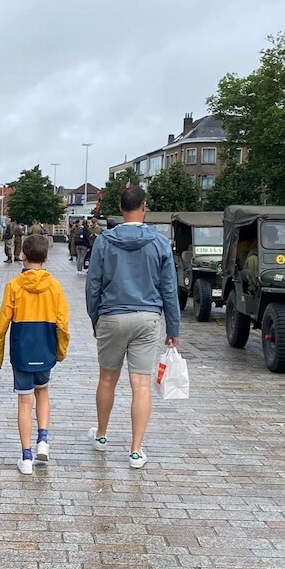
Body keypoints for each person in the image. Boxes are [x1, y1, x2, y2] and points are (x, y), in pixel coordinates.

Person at [85, 186, 180, 469]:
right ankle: (136, 450)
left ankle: (101, 436)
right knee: (140, 385)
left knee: (107, 379)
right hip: (147, 317)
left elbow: (93, 285)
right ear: (144, 207)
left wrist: (95, 319)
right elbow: (169, 289)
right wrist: (172, 327)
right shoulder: (159, 243)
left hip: (112, 316)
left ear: (121, 207)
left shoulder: (104, 241)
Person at [0, 234, 70, 475]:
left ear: (23, 256)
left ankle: (26, 457)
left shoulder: (14, 286)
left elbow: (2, 323)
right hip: (45, 348)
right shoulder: (55, 286)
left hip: (22, 349)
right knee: (43, 391)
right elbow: (63, 323)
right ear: (45, 258)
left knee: (25, 402)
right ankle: (43, 440)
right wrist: (60, 351)